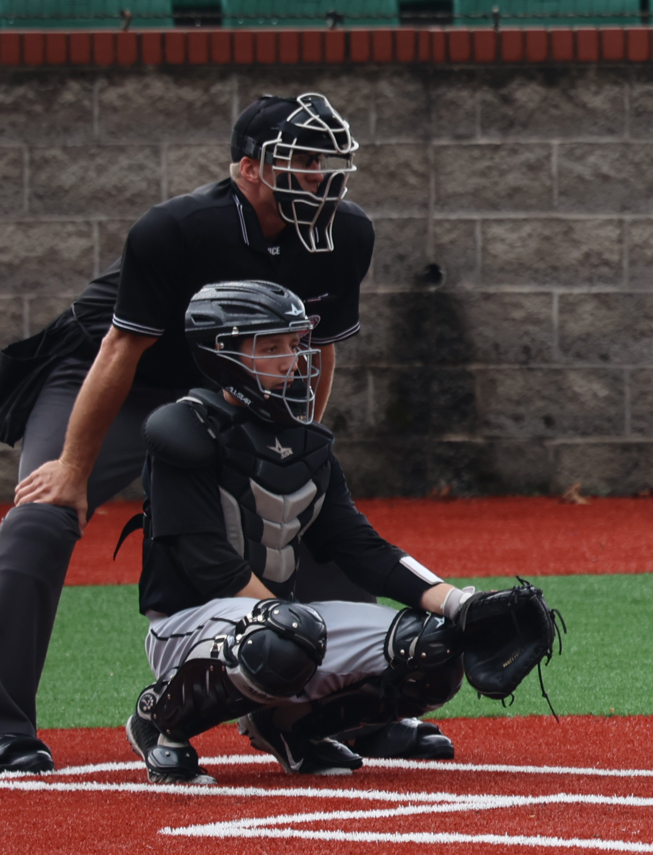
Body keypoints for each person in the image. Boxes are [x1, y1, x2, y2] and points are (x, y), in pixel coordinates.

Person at [0, 93, 445, 774]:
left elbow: (317, 347)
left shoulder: (346, 233)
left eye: (328, 162)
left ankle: (337, 710)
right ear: (248, 169)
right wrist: (71, 470)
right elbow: (121, 348)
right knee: (40, 518)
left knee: (306, 504)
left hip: (243, 385)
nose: (320, 176)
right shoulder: (178, 228)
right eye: (300, 162)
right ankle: (7, 728)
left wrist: (296, 455)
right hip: (125, 373)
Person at [127, 280, 514, 783]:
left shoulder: (306, 442)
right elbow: (208, 565)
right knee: (285, 634)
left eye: (293, 344)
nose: (291, 361)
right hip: (189, 625)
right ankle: (161, 723)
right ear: (222, 353)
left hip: (276, 623)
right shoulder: (183, 430)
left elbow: (360, 547)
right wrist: (285, 629)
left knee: (434, 648)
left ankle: (290, 727)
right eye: (271, 347)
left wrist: (458, 604)